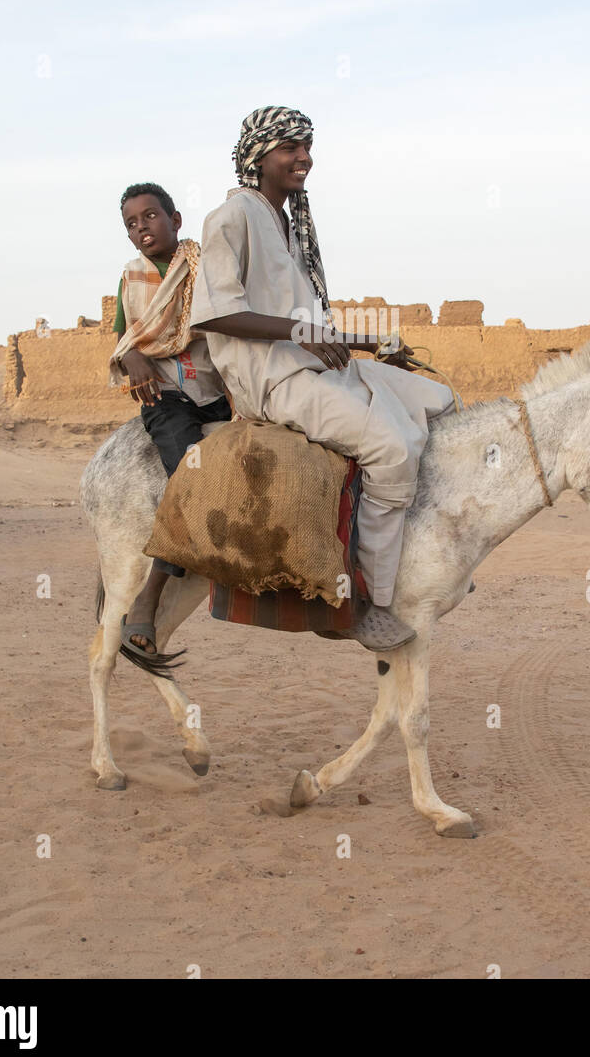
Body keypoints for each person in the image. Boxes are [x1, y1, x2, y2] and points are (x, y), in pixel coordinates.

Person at [190, 106, 456, 651]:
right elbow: (214, 313)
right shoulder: (230, 217)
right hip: (275, 381)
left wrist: (374, 345)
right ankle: (373, 600)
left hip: (319, 364)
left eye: (307, 146)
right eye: (290, 147)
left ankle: (419, 548)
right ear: (258, 156)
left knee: (440, 400)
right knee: (392, 448)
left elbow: (309, 324)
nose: (303, 157)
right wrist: (298, 332)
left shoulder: (289, 223)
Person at [110, 183, 232, 659]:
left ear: (175, 220)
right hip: (165, 395)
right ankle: (150, 595)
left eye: (150, 217)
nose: (142, 228)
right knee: (189, 475)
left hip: (216, 388)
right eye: (131, 223)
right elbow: (125, 339)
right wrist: (133, 358)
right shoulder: (132, 277)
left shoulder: (203, 266)